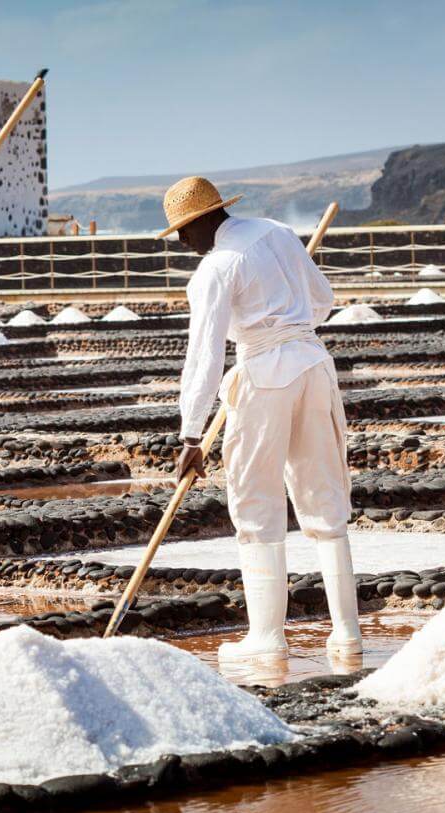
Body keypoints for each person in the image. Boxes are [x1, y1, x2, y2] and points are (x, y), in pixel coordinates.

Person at [163, 176, 361, 660]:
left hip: (263, 374)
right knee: (325, 500)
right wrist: (287, 324)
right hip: (313, 364)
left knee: (255, 506)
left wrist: (191, 433)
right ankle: (347, 634)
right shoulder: (276, 232)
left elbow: (204, 356)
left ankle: (268, 639)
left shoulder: (214, 269)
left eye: (184, 232)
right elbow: (322, 300)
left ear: (205, 221)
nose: (184, 243)